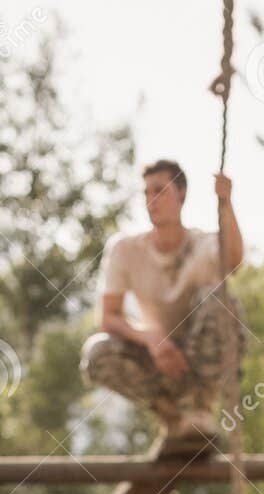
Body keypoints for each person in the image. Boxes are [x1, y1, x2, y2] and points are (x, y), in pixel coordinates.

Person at [81, 158, 244, 450]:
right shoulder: (126, 249)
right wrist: (151, 338)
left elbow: (232, 259)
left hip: (199, 361)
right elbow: (109, 318)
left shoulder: (202, 245)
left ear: (180, 195)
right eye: (146, 192)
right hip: (158, 359)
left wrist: (225, 204)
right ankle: (171, 416)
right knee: (97, 352)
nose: (150, 200)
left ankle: (199, 409)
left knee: (220, 299)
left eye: (159, 191)